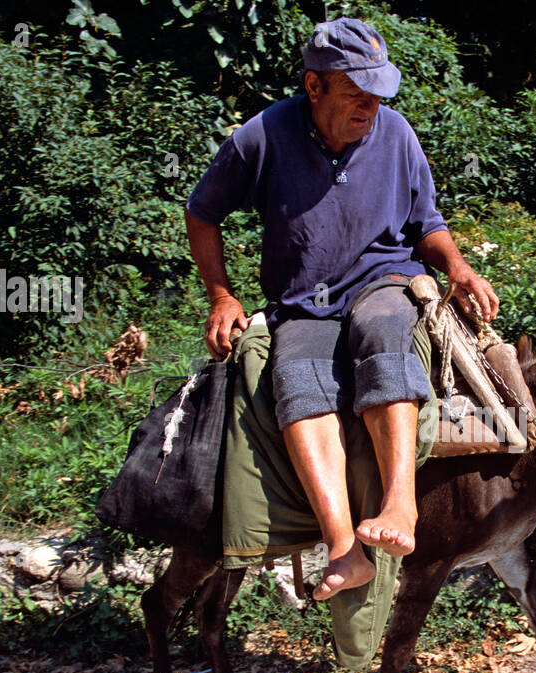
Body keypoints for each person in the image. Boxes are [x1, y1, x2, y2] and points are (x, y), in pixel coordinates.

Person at [185, 17, 498, 601]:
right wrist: (221, 296)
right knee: (295, 376)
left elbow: (425, 222)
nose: (370, 107)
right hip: (303, 299)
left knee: (385, 333)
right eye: (357, 92)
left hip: (384, 277)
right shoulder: (261, 137)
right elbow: (202, 213)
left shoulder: (397, 134)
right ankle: (343, 549)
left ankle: (399, 505)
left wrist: (457, 266)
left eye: (378, 94)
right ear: (314, 86)